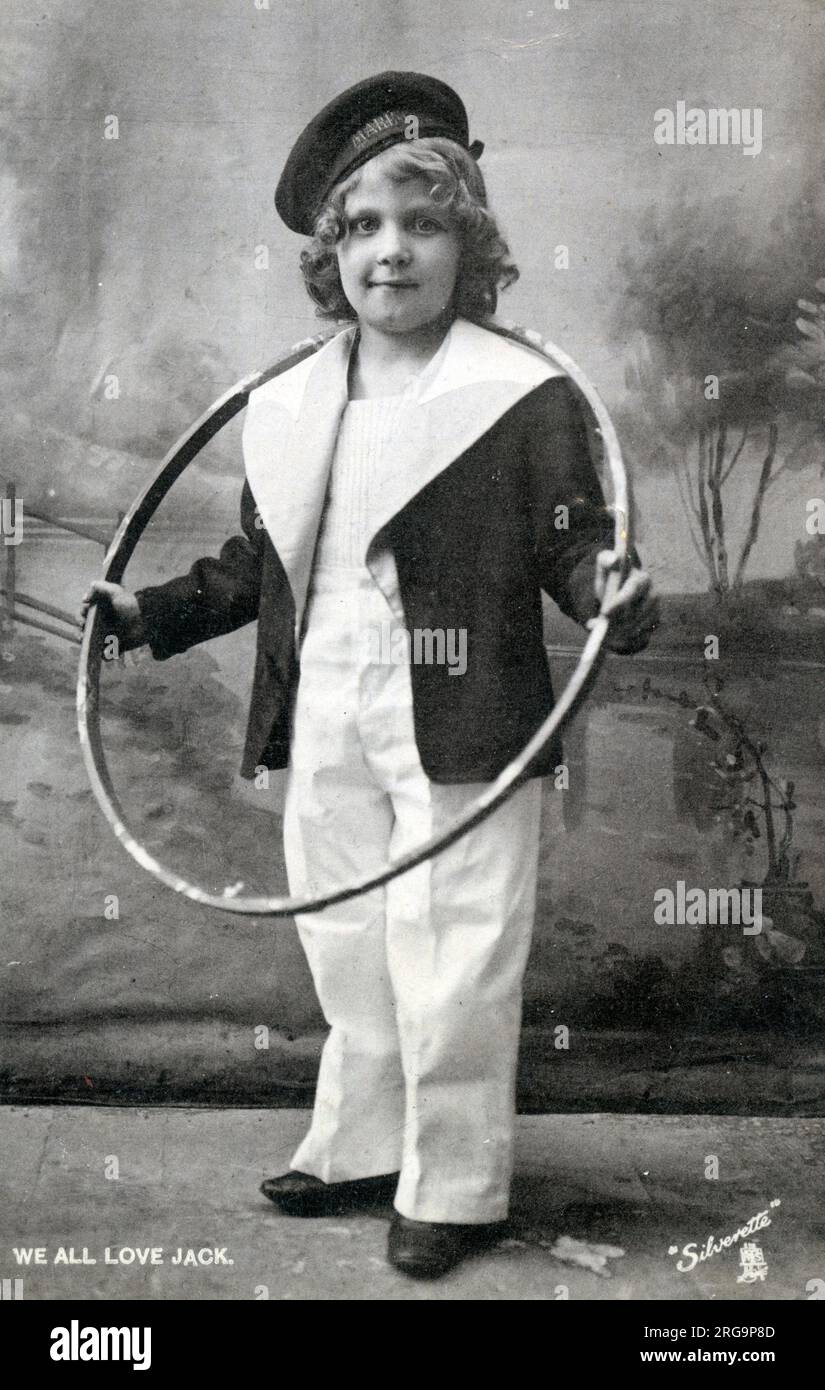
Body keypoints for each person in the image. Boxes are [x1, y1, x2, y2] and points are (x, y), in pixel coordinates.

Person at [82, 72, 658, 1280]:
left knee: (450, 944)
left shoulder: (516, 393)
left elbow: (571, 540)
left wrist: (610, 585)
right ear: (328, 253)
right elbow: (261, 563)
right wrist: (151, 612)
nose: (390, 252)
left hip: (463, 711)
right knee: (347, 934)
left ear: (472, 244)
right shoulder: (293, 402)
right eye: (362, 227)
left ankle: (455, 1184)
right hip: (328, 702)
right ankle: (360, 1143)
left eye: (424, 221)